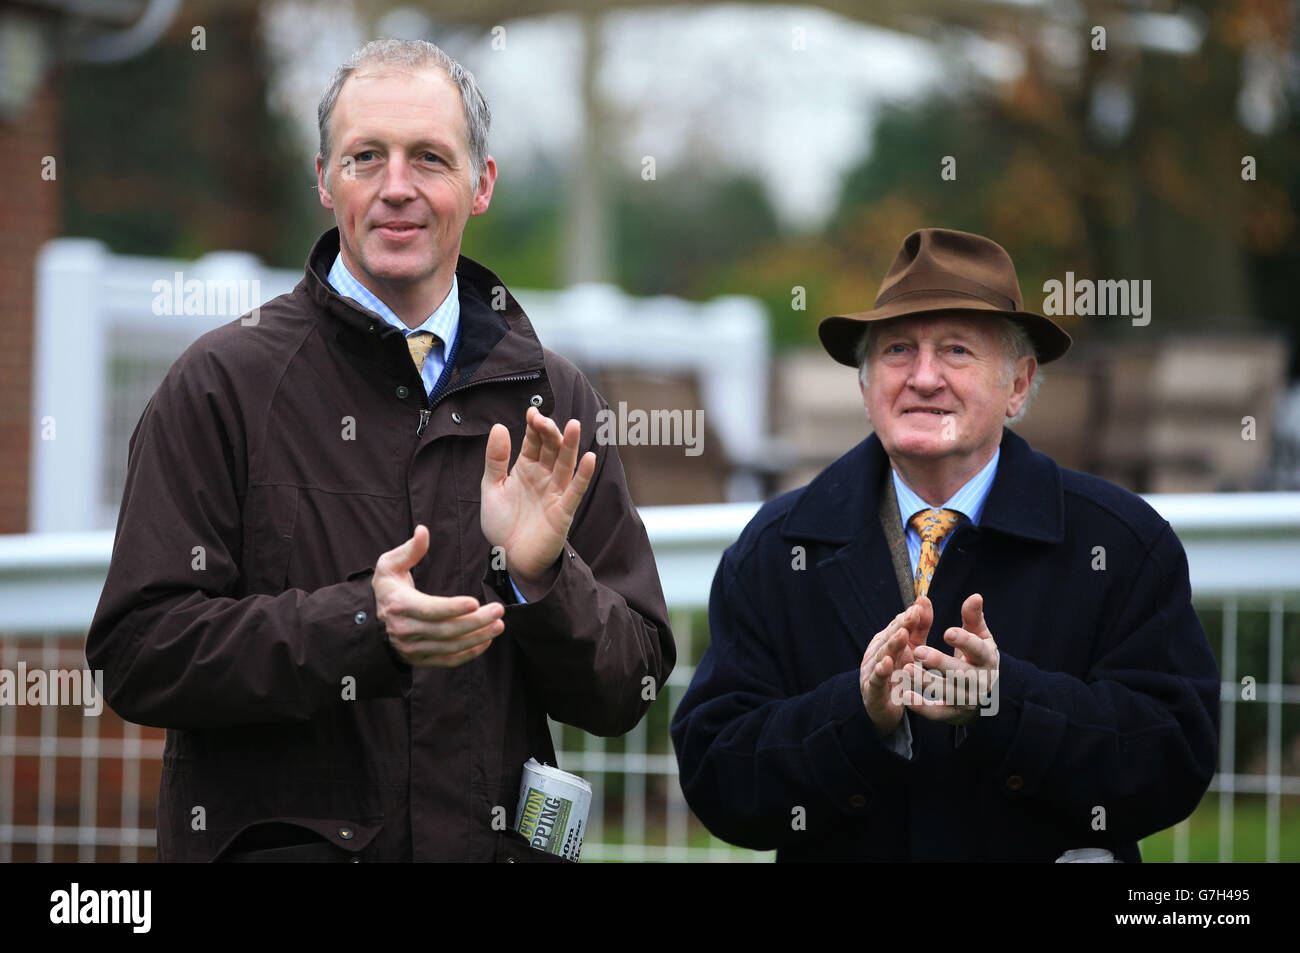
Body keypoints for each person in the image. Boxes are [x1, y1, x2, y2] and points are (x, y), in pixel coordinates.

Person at [87, 38, 674, 862]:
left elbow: (629, 687)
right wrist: (361, 623)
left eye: (430, 158)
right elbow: (137, 655)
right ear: (325, 179)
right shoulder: (222, 385)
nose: (397, 187)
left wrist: (545, 580)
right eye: (367, 157)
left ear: (481, 184)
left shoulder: (555, 399)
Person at [671, 227, 1218, 862]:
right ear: (865, 381)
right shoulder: (778, 548)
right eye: (899, 350)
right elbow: (717, 774)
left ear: (1018, 385)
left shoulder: (1121, 543)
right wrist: (856, 714)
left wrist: (1004, 701)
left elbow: (1173, 757)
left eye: (957, 351)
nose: (924, 378)